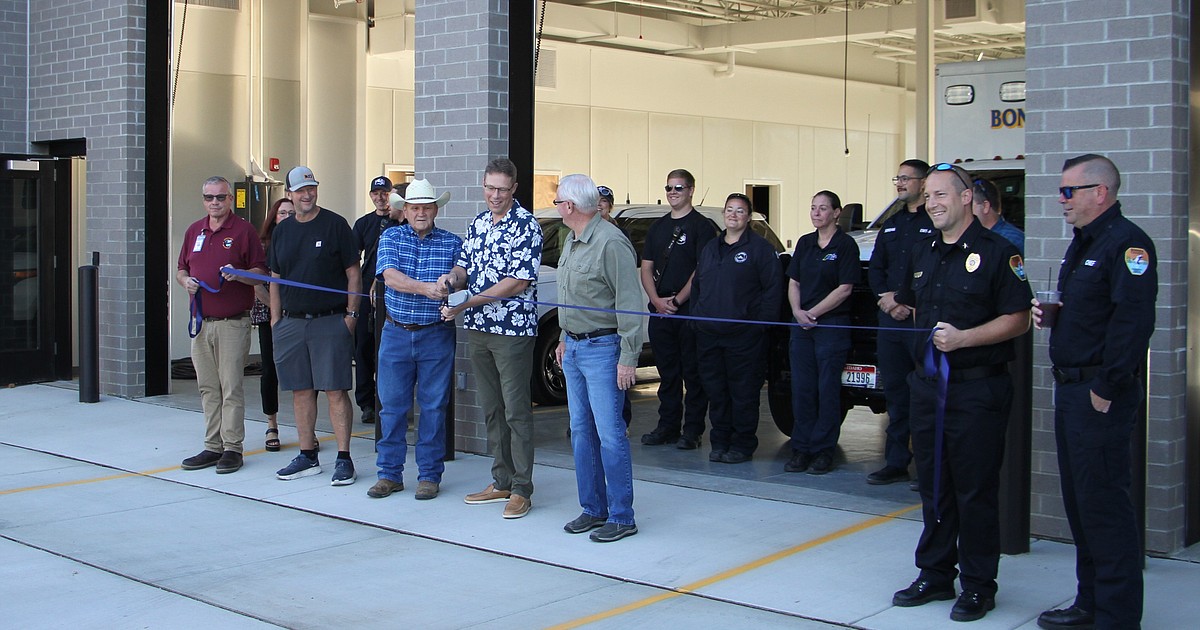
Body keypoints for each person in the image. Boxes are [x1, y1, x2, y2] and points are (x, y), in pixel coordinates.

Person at [890, 162, 1030, 623]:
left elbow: (1019, 318)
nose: (932, 203)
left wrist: (966, 339)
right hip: (928, 389)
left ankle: (977, 585)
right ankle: (934, 573)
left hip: (976, 391)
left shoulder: (998, 252)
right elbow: (912, 306)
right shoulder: (922, 249)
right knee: (933, 485)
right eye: (928, 196)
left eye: (941, 195)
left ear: (966, 198)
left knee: (974, 490)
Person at [1032, 154, 1155, 630]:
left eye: (1069, 191)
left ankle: (1118, 617)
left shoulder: (1128, 245)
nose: (1061, 200)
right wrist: (1059, 318)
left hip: (1098, 396)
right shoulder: (1083, 243)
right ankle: (1090, 603)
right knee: (1082, 506)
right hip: (1072, 392)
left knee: (1105, 506)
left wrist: (1107, 387)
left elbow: (1134, 321)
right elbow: (1097, 313)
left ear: (1099, 193)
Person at [439, 157, 543, 519]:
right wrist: (451, 280)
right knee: (492, 409)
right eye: (489, 187)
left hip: (511, 330)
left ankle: (522, 489)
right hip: (479, 327)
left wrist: (468, 301)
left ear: (514, 189)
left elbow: (517, 282)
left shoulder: (526, 225)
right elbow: (465, 266)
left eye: (501, 189)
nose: (494, 195)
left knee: (516, 411)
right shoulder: (479, 222)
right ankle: (501, 480)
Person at [552, 174, 645, 542]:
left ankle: (622, 516)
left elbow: (629, 302)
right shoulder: (572, 240)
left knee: (609, 435)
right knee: (581, 432)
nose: (557, 206)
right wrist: (562, 338)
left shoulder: (611, 242)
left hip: (603, 350)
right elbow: (571, 294)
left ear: (571, 206)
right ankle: (593, 509)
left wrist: (629, 357)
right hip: (574, 348)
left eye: (559, 201)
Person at [368, 179, 461, 501]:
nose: (421, 213)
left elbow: (461, 273)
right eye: (414, 207)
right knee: (392, 409)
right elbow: (389, 277)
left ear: (436, 209)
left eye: (426, 207)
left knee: (434, 408)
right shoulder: (390, 236)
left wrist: (451, 279)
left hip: (435, 334)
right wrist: (426, 288)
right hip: (396, 333)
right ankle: (389, 474)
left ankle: (429, 476)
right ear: (404, 210)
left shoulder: (451, 242)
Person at [269, 166, 362, 486]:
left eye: (311, 188)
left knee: (336, 390)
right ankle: (307, 455)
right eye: (300, 190)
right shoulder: (282, 230)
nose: (307, 194)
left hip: (330, 321)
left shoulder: (336, 225)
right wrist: (275, 320)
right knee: (301, 391)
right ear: (290, 195)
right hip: (292, 324)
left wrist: (351, 315)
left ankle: (344, 458)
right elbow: (275, 279)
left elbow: (353, 272)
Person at [176, 176, 267, 474]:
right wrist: (185, 281)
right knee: (207, 387)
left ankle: (232, 448)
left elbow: (259, 274)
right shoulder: (194, 231)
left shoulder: (243, 231)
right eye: (209, 197)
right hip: (201, 321)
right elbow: (181, 269)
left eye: (220, 197)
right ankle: (212, 446)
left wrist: (238, 275)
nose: (214, 202)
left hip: (232, 323)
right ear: (203, 200)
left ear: (230, 199)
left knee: (230, 387)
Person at [690, 192, 781, 464]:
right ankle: (720, 441)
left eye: (740, 211)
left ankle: (742, 445)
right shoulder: (710, 248)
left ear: (748, 217)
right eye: (729, 209)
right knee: (716, 392)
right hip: (709, 336)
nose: (733, 214)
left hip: (744, 338)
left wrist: (759, 326)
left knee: (742, 393)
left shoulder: (761, 250)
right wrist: (698, 319)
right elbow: (698, 287)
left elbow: (773, 289)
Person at [865, 158, 934, 487]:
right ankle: (895, 462)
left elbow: (932, 269)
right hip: (890, 321)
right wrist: (885, 298)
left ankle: (928, 467)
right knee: (895, 393)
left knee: (924, 394)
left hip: (919, 320)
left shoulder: (934, 222)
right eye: (898, 178)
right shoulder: (891, 224)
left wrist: (905, 299)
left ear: (923, 183)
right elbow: (877, 267)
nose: (900, 183)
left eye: (906, 178)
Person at [638, 169, 717, 450]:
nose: (673, 193)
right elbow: (646, 267)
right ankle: (667, 426)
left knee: (692, 373)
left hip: (687, 311)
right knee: (667, 373)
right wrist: (657, 300)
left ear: (691, 190)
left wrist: (677, 301)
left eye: (679, 188)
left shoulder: (702, 227)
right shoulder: (658, 227)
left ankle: (692, 430)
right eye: (669, 187)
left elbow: (701, 270)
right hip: (660, 310)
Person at [784, 191, 859, 474]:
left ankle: (823, 451)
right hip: (802, 326)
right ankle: (801, 448)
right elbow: (794, 282)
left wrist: (813, 313)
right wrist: (798, 312)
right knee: (802, 389)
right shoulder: (805, 243)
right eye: (813, 207)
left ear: (837, 213)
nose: (816, 213)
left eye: (823, 208)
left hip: (831, 326)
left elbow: (844, 289)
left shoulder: (845, 245)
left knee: (826, 390)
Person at [351, 176, 396, 424]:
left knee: (389, 348)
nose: (380, 197)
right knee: (364, 347)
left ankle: (388, 400)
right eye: (376, 193)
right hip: (366, 293)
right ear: (371, 196)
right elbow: (352, 261)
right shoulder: (364, 224)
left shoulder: (400, 221)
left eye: (385, 193)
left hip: (393, 289)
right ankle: (367, 402)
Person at [252, 197, 293, 452]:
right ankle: (271, 424)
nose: (286, 217)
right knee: (270, 369)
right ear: (273, 217)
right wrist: (277, 309)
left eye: (291, 213)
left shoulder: (302, 241)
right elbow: (257, 286)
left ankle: (306, 427)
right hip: (269, 315)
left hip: (299, 315)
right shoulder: (263, 246)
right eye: (282, 213)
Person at [597, 184, 633, 429]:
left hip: (613, 324)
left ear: (611, 206)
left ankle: (622, 420)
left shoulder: (616, 237)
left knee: (619, 376)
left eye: (604, 201)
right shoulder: (578, 233)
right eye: (596, 200)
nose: (600, 205)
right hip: (590, 324)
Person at [971, 177, 1024, 252]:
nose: (963, 211)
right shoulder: (972, 236)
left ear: (985, 206)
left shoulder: (1011, 240)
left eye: (968, 206)